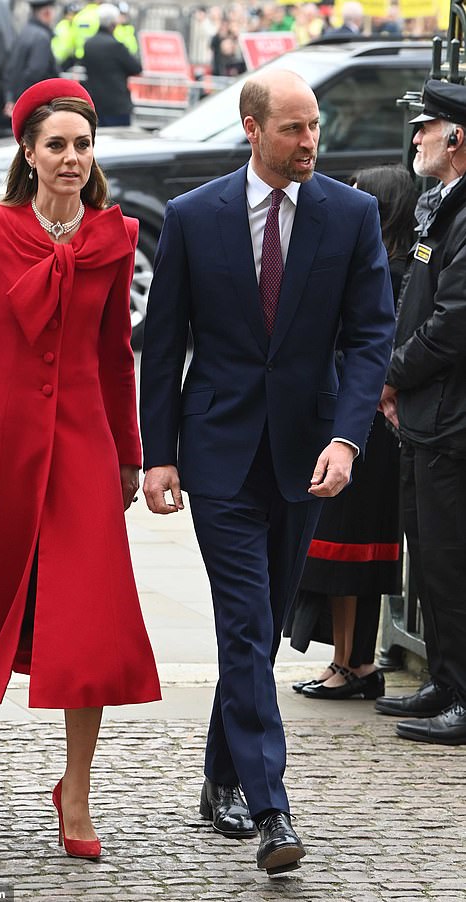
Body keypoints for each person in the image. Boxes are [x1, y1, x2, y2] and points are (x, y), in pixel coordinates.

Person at [140, 69, 394, 877]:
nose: (309, 141)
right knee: (248, 624)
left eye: (314, 125)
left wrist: (348, 439)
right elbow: (163, 344)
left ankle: (220, 774)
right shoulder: (193, 216)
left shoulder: (349, 215)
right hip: (218, 455)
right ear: (252, 130)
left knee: (260, 629)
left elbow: (371, 336)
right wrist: (157, 452)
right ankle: (270, 807)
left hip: (308, 457)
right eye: (293, 128)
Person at [0, 78, 161, 855]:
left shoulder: (116, 237)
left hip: (87, 447)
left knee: (90, 618)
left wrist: (131, 453)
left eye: (82, 145)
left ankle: (77, 789)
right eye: (56, 144)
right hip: (7, 442)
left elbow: (116, 356)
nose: (71, 157)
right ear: (27, 152)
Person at [288, 164, 418, 700]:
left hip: (367, 423)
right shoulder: (377, 260)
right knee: (338, 550)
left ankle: (355, 664)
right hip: (352, 415)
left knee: (352, 550)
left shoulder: (395, 269)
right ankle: (346, 660)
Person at [376, 80, 466, 746]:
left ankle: (462, 693)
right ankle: (445, 677)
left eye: (426, 127)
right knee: (430, 559)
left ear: (457, 136)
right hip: (428, 415)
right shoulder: (445, 206)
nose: (416, 138)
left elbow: (452, 324)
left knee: (450, 560)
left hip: (450, 419)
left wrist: (392, 373)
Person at [83, 4, 141, 127]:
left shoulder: (88, 44)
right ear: (113, 24)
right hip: (117, 105)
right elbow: (136, 68)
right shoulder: (116, 46)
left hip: (95, 103)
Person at [3, 0, 60, 118]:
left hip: (21, 98)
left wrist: (11, 98)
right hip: (35, 103)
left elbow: (11, 69)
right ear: (47, 13)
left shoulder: (24, 32)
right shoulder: (41, 37)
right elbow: (36, 71)